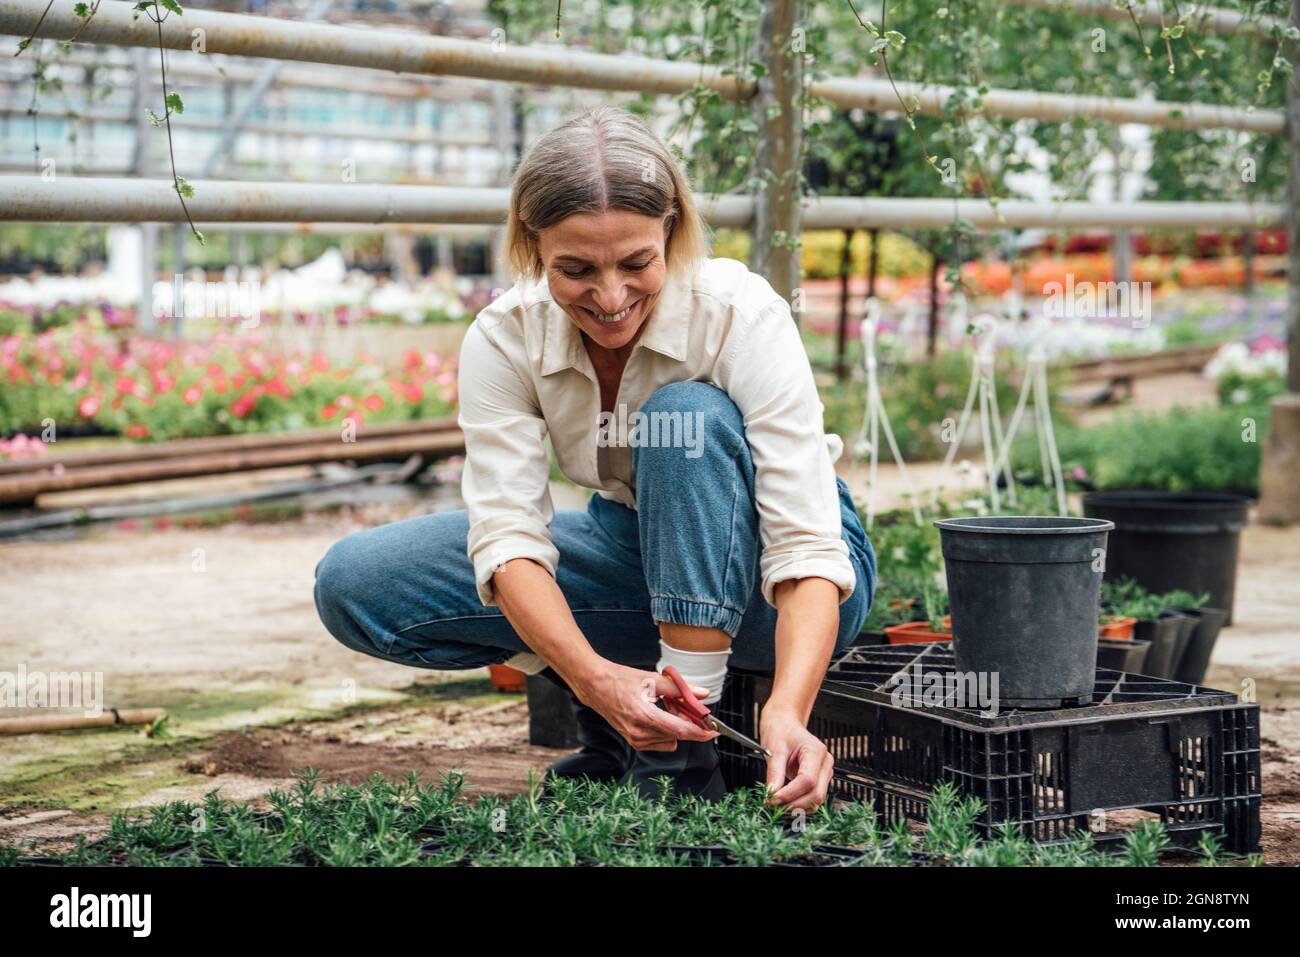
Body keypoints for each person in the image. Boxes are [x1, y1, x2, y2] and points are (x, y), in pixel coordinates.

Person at [314, 105, 876, 812]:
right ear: (532, 244)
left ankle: (678, 756)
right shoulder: (504, 336)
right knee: (357, 581)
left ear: (670, 232)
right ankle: (624, 703)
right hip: (634, 547)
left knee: (685, 420)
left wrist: (789, 708)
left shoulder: (739, 311)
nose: (610, 298)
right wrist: (592, 679)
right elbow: (508, 538)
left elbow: (805, 543)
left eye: (636, 262)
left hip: (776, 584)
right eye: (575, 268)